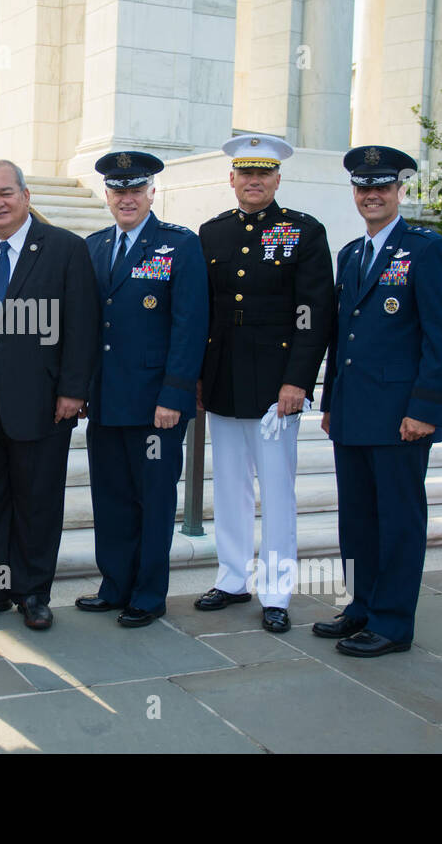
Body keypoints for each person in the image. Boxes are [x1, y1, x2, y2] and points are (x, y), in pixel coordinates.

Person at [0, 160, 99, 630]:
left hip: (44, 403)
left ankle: (32, 592)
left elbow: (82, 326)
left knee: (37, 501)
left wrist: (73, 390)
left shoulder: (65, 248)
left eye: (5, 193)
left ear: (26, 196)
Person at [314, 145, 442, 656]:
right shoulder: (351, 253)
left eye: (381, 186)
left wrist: (426, 409)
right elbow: (342, 338)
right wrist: (330, 401)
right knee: (356, 518)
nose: (371, 195)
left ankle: (393, 622)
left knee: (397, 520)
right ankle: (361, 608)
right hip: (353, 411)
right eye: (362, 187)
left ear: (400, 190)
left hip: (401, 416)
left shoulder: (426, 249)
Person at [195, 134, 334, 633]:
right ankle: (232, 578)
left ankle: (276, 590)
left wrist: (298, 380)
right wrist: (195, 378)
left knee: (276, 490)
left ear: (277, 179)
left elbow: (313, 314)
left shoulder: (303, 232)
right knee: (229, 487)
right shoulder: (211, 234)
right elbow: (200, 313)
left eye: (263, 174)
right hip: (222, 381)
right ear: (231, 179)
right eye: (245, 174)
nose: (254, 182)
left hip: (277, 388)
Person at [77, 151, 207, 627]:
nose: (126, 198)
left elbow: (190, 326)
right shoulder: (93, 247)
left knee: (153, 499)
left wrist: (174, 395)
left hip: (156, 404)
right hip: (106, 399)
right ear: (107, 195)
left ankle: (149, 594)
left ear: (152, 193)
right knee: (110, 497)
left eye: (135, 190)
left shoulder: (178, 246)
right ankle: (115, 585)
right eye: (117, 190)